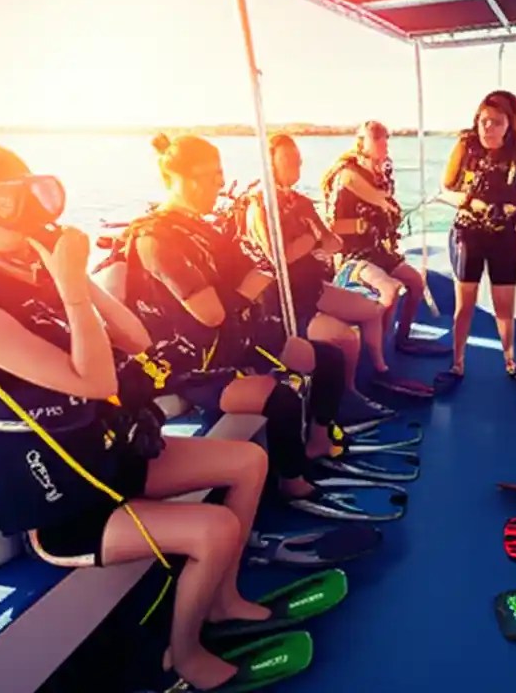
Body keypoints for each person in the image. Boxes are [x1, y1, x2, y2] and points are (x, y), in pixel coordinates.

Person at [0, 141, 270, 690]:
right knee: (214, 528)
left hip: (108, 458)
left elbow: (136, 337)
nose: (25, 212)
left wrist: (68, 279)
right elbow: (96, 381)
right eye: (6, 202)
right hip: (65, 503)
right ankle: (184, 653)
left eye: (31, 194)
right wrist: (72, 289)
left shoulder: (33, 279)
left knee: (247, 461)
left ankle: (221, 599)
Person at [98, 134, 347, 501]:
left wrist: (246, 287)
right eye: (205, 176)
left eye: (218, 173)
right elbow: (210, 313)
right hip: (193, 366)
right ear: (173, 178)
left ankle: (319, 442)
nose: (216, 183)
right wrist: (245, 289)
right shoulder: (157, 240)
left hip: (238, 343)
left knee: (329, 359)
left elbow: (251, 273)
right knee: (284, 399)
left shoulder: (203, 229)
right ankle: (290, 483)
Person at [244, 132, 433, 398]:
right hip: (287, 302)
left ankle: (380, 373)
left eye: (298, 159)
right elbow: (281, 257)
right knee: (347, 338)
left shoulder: (299, 202)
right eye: (287, 159)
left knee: (373, 311)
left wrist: (311, 243)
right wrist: (312, 240)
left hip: (314, 287)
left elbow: (333, 243)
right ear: (269, 163)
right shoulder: (261, 206)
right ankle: (348, 395)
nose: (296, 165)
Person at [438, 90, 516, 389]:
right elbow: (446, 189)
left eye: (496, 122)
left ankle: (510, 361)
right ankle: (457, 363)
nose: (488, 128)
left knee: (504, 305)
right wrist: (470, 202)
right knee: (465, 304)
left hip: (505, 237)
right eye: (483, 121)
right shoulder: (465, 145)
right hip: (468, 232)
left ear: (510, 124)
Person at [321, 120, 449, 357]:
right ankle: (380, 353)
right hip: (353, 254)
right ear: (362, 142)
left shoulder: (380, 174)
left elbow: (387, 206)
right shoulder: (347, 175)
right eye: (376, 137)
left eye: (385, 137)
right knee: (388, 292)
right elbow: (334, 226)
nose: (383, 142)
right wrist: (367, 222)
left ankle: (401, 339)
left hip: (378, 250)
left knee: (415, 283)